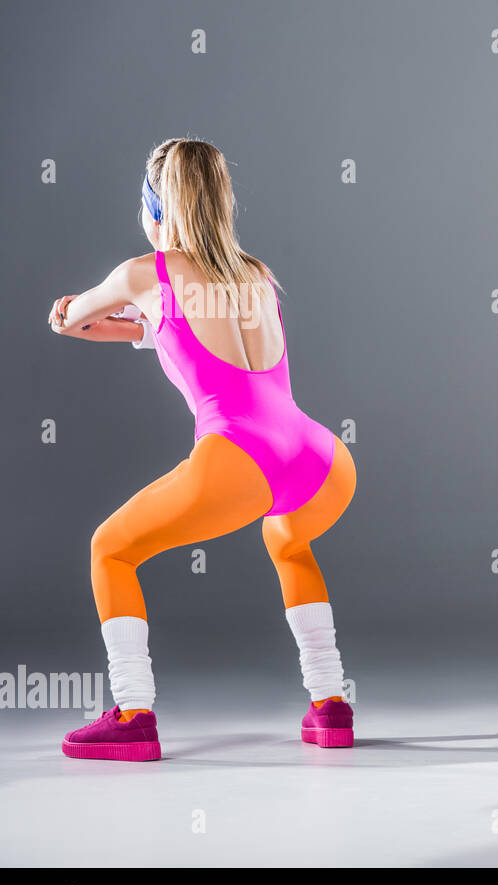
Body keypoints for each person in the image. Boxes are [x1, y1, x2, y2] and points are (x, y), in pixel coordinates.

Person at [49, 139, 357, 760]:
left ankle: (133, 713)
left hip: (236, 459)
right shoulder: (256, 275)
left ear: (153, 208)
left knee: (109, 549)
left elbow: (73, 319)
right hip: (318, 456)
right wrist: (137, 328)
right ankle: (331, 703)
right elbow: (177, 333)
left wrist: (67, 315)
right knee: (288, 541)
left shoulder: (143, 273)